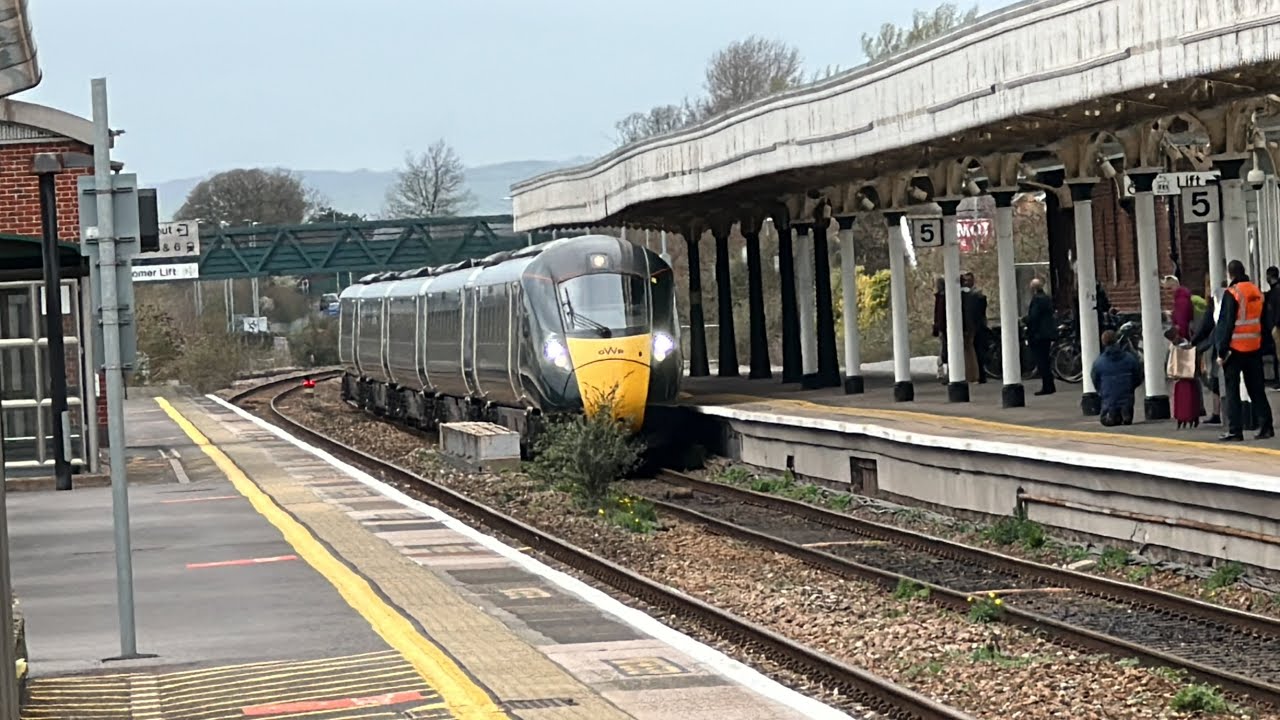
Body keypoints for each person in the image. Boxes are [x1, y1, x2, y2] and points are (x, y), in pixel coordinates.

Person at [1214, 260, 1275, 441]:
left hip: (1234, 349)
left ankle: (1235, 430)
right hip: (1254, 347)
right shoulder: (1256, 292)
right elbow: (1265, 321)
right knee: (1257, 389)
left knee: (1232, 390)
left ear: (1230, 274)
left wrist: (1221, 351)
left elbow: (1226, 324)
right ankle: (1266, 426)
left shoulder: (1232, 293)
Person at [1164, 275, 1202, 428]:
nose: (1167, 292)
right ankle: (1193, 412)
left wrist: (1176, 338)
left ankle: (1184, 413)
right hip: (1190, 342)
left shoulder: (1180, 301)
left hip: (1183, 345)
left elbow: (1181, 325)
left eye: (1168, 288)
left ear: (1174, 286)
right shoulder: (1187, 298)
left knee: (1181, 378)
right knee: (1192, 379)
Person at [1091, 329, 1144, 426]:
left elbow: (1095, 380)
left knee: (1107, 416)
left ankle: (1112, 415)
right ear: (1116, 340)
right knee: (1126, 402)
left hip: (1108, 397)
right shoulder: (1129, 358)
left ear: (1103, 342)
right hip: (1127, 395)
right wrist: (1131, 386)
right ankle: (1125, 414)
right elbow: (1138, 375)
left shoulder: (1098, 362)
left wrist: (1101, 390)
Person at [1190, 281, 1221, 425]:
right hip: (1242, 344)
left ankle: (1216, 412)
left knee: (1215, 379)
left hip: (1217, 345)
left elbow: (1205, 326)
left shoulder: (1214, 304)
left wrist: (1193, 341)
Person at [1024, 278, 1056, 395]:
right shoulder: (1046, 298)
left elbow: (1034, 317)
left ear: (1033, 289)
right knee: (1046, 360)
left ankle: (1047, 386)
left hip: (1038, 335)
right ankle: (1050, 385)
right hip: (1046, 334)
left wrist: (1025, 320)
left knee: (1041, 361)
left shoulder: (1037, 300)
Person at [962, 272, 990, 383]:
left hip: (977, 327)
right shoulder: (972, 296)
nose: (966, 283)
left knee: (978, 350)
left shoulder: (975, 296)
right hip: (975, 325)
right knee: (976, 350)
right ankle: (978, 374)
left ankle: (981, 375)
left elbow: (976, 312)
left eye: (968, 280)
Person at [1265, 266, 1280, 389]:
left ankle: (1278, 379)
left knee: (1278, 354)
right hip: (1275, 327)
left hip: (1277, 328)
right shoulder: (1274, 291)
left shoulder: (1276, 291)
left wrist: (1275, 325)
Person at [932, 277, 947, 382]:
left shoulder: (940, 298)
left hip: (942, 326)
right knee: (944, 348)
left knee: (943, 348)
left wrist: (937, 326)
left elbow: (938, 314)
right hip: (944, 326)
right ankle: (942, 369)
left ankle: (941, 370)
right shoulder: (943, 297)